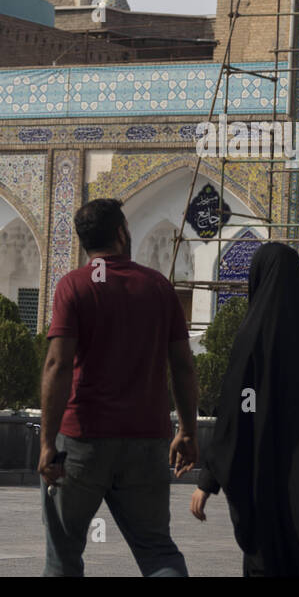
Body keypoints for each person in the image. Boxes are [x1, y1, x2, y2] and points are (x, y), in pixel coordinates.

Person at [39, 198, 200, 577]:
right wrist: (188, 431)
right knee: (157, 550)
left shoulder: (74, 286)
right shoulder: (158, 287)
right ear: (121, 233)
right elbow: (182, 366)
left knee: (63, 554)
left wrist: (48, 443)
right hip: (146, 442)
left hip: (83, 441)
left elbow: (58, 365)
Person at [189, 242, 299, 576]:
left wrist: (209, 479)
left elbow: (235, 416)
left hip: (261, 479)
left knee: (266, 562)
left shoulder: (253, 339)